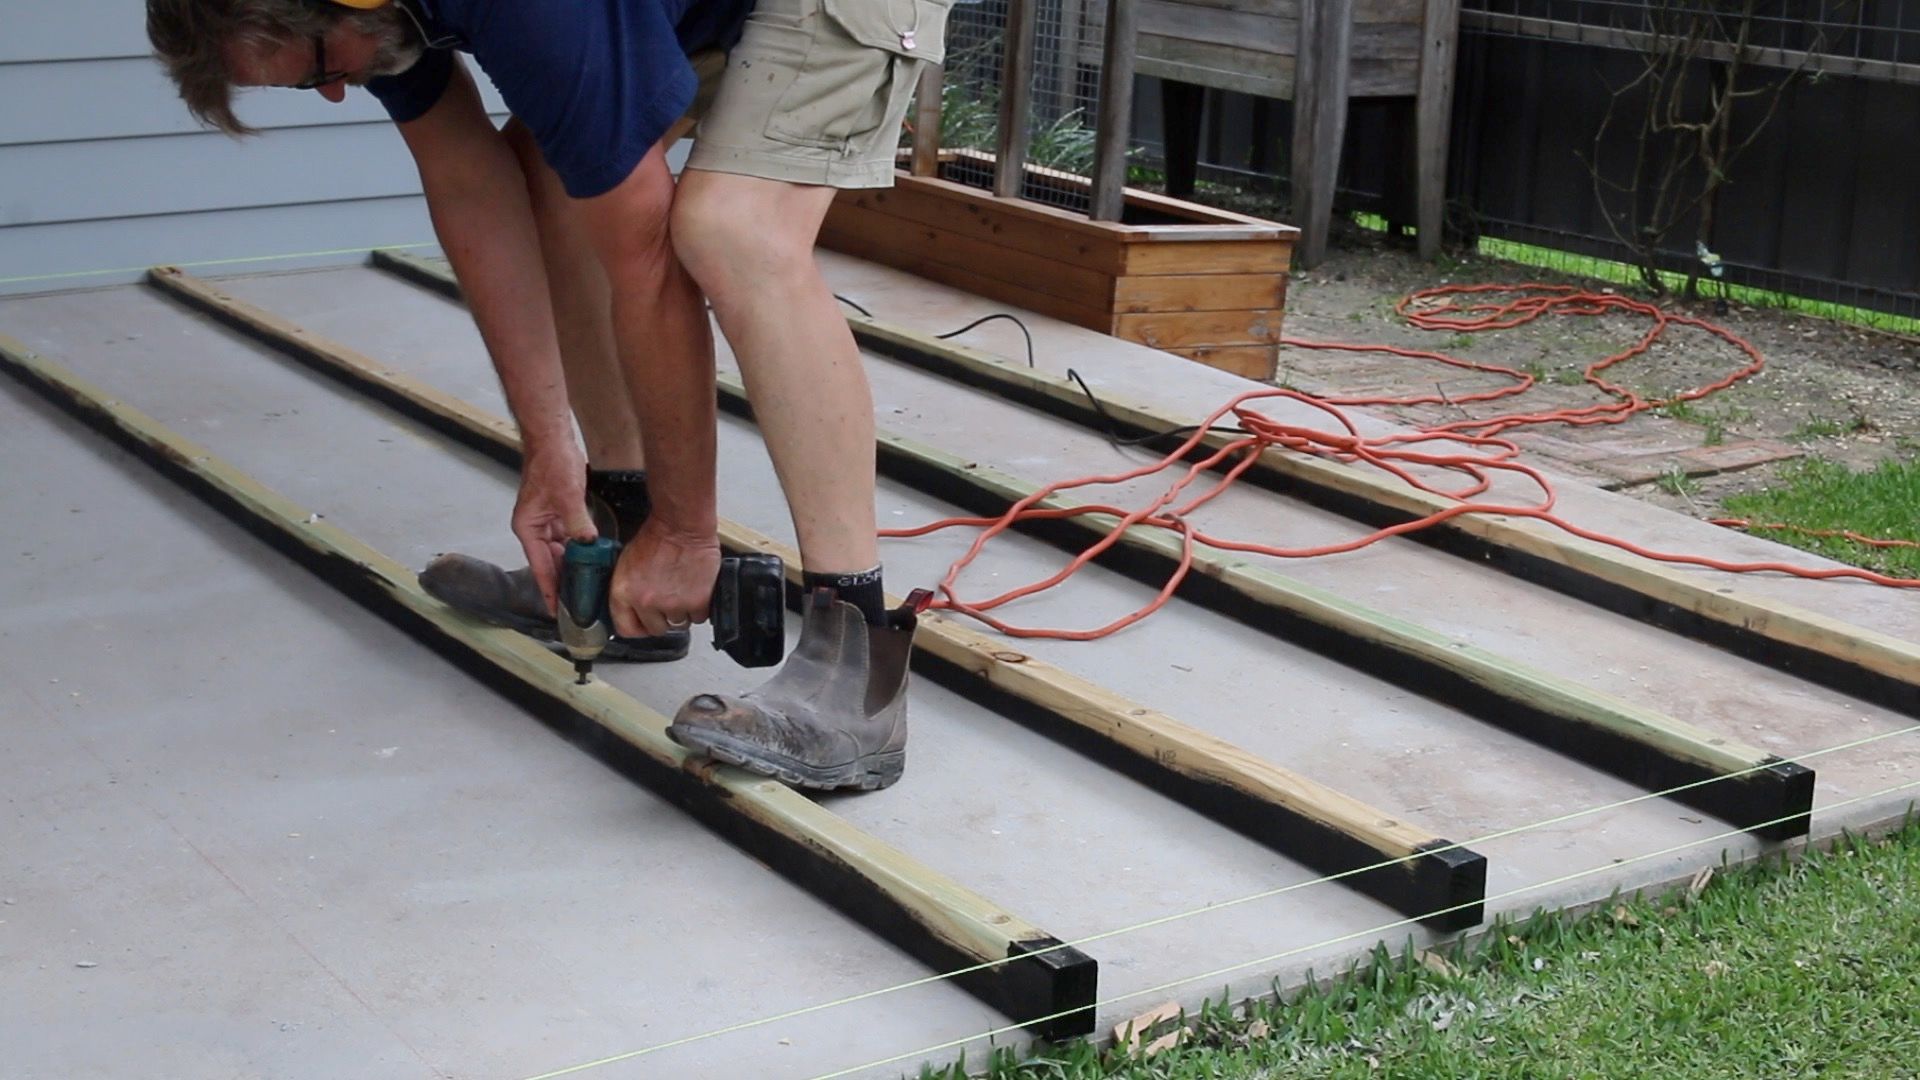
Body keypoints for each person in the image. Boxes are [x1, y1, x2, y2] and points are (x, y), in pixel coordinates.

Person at [146, 0, 950, 791]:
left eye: (319, 70)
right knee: (559, 170)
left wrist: (688, 532)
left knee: (732, 227)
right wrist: (548, 450)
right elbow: (467, 180)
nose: (331, 92)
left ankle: (859, 656)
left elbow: (644, 262)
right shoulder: (369, 19)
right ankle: (620, 536)